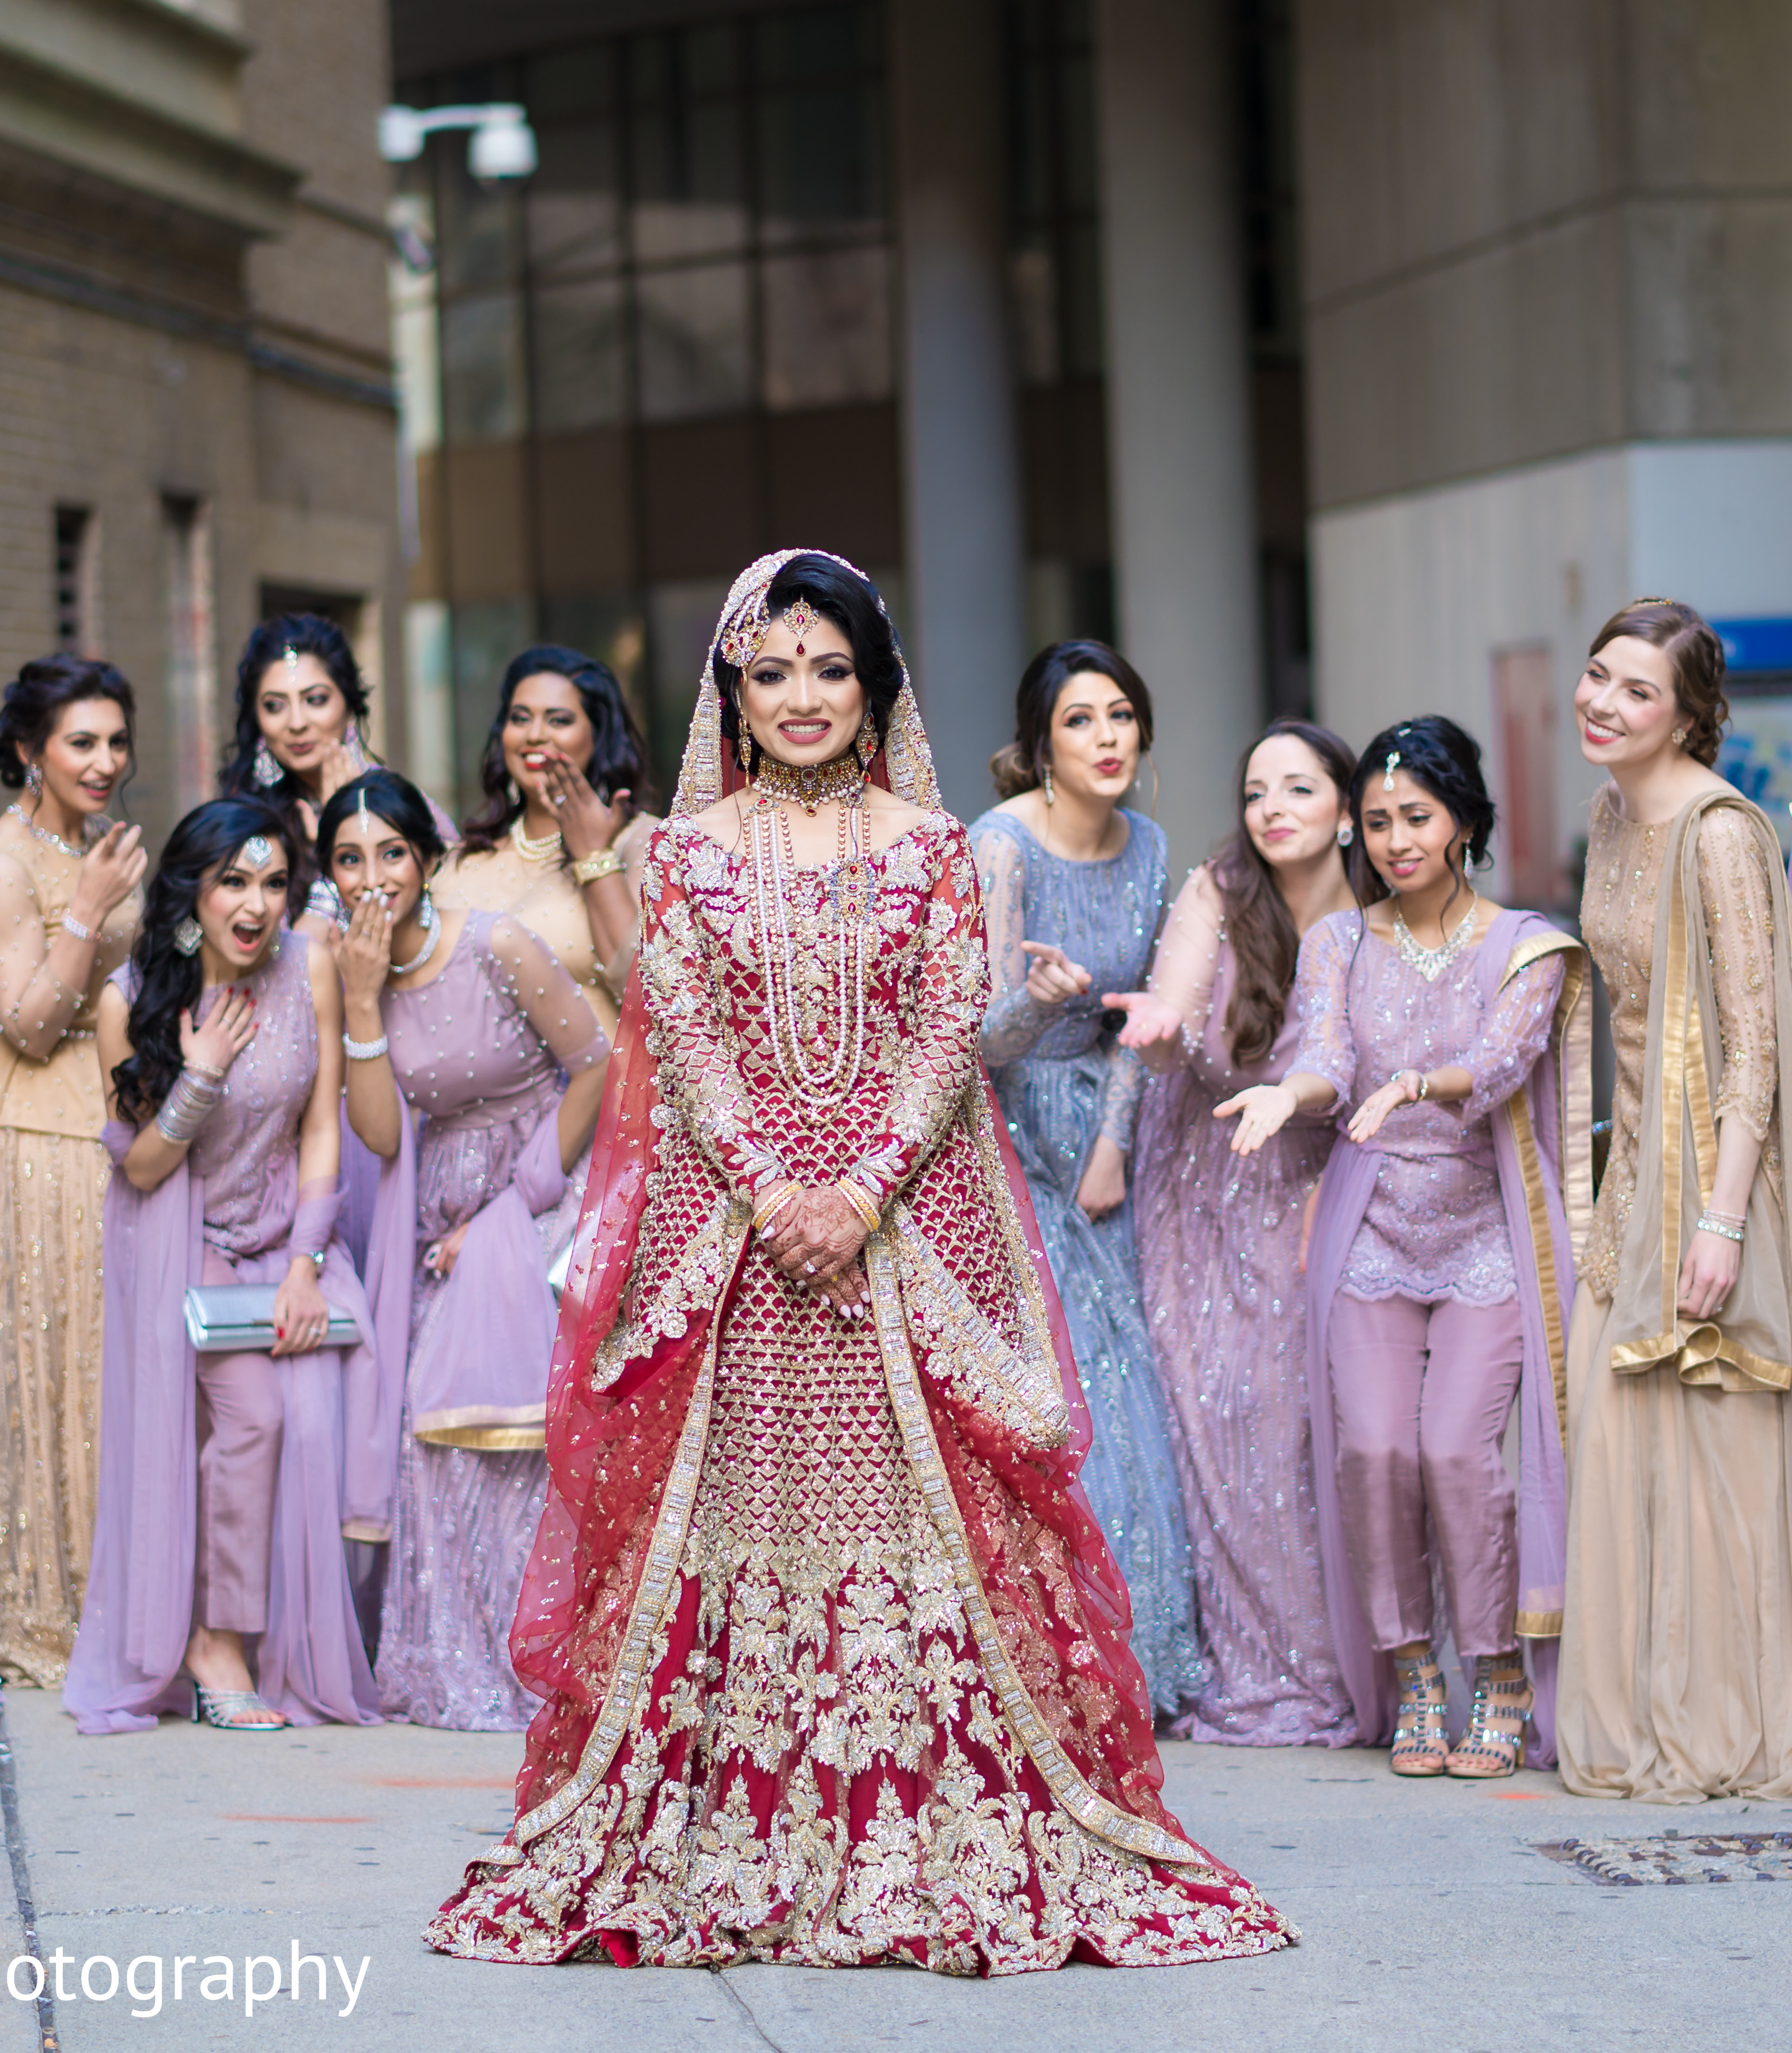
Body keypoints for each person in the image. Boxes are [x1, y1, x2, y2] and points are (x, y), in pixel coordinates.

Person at [428, 549, 1291, 1972]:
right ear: (732, 695)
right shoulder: (692, 854)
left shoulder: (934, 845)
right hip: (742, 1252)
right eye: (770, 672)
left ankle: (924, 1823)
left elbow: (949, 1027)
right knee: (734, 1524)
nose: (803, 696)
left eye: (831, 667)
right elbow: (688, 1035)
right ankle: (740, 1828)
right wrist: (777, 1189)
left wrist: (859, 1189)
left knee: (924, 1519)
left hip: (905, 1242)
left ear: (875, 680)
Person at [1555, 598, 1792, 1801]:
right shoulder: (1607, 815)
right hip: (1636, 1169)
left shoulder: (1717, 832)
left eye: (1634, 690)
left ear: (1690, 715)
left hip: (1716, 1176)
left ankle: (1734, 1718)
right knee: (1614, 1437)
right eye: (1596, 675)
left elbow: (1752, 1042)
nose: (1602, 701)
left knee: (1716, 1452)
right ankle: (1650, 1705)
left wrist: (1720, 1215)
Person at [1219, 717, 1582, 1780]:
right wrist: (1293, 1091)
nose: (1392, 839)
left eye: (1414, 817)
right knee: (1373, 1448)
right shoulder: (1340, 941)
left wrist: (1420, 1084)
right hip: (1373, 1226)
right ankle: (1414, 1668)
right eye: (1375, 822)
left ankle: (1498, 1667)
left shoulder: (1526, 942)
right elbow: (1329, 1051)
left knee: (1456, 1451)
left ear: (1462, 818)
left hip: (1486, 1232)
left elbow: (1503, 1058)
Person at [63, 799, 379, 1732]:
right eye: (232, 881)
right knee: (260, 1416)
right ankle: (215, 1641)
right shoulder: (129, 998)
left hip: (288, 1240)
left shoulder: (309, 964)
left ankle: (311, 1646)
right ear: (190, 890)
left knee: (331, 1416)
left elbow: (322, 1121)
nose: (254, 904)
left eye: (274, 881)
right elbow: (146, 1166)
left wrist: (304, 1264)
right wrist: (198, 1075)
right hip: (183, 1244)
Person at [327, 768, 611, 1731]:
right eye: (349, 859)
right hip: (435, 1223)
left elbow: (595, 1068)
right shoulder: (346, 974)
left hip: (543, 1199)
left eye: (391, 854)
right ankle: (461, 1659)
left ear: (428, 859)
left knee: (526, 1438)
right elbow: (376, 1133)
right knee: (428, 1434)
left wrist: (519, 1204)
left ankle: (544, 1652)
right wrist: (362, 1007)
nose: (373, 877)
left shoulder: (495, 945)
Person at [1105, 720, 1363, 1747]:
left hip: (1322, 1185)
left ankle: (1346, 1664)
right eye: (1257, 791)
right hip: (1205, 1191)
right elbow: (1166, 1018)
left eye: (1298, 787)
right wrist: (1159, 1041)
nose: (1273, 808)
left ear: (1344, 804)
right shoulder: (1217, 890)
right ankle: (1247, 1661)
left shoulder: (1373, 915)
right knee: (1223, 1417)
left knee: (1310, 1429)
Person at [967, 639, 1206, 1717]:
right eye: (1081, 720)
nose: (1107, 737)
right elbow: (974, 1040)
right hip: (1007, 1136)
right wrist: (1035, 997)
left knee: (1128, 1379)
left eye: (1121, 715)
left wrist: (1112, 1143)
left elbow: (1142, 1015)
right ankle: (1050, 1662)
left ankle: (1138, 1652)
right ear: (1039, 745)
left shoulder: (1150, 845)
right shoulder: (999, 847)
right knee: (1055, 1389)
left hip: (1110, 1135)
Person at [0, 655, 151, 1686]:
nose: (105, 760)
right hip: (37, 1136)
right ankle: (50, 1608)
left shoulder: (101, 844)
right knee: (57, 1369)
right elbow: (28, 1023)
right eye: (82, 741)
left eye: (117, 740)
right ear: (30, 749)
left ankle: (130, 1592)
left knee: (115, 1367)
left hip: (118, 1118)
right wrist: (88, 909)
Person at [431, 645, 659, 1030]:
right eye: (520, 718)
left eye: (558, 720)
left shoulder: (644, 842)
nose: (535, 735)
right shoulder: (462, 859)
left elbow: (649, 994)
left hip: (606, 1084)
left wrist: (593, 856)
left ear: (597, 735)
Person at [217, 614, 384, 848]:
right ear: (256, 717)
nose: (297, 723)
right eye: (275, 706)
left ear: (350, 706)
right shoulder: (237, 824)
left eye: (315, 700)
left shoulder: (394, 805)